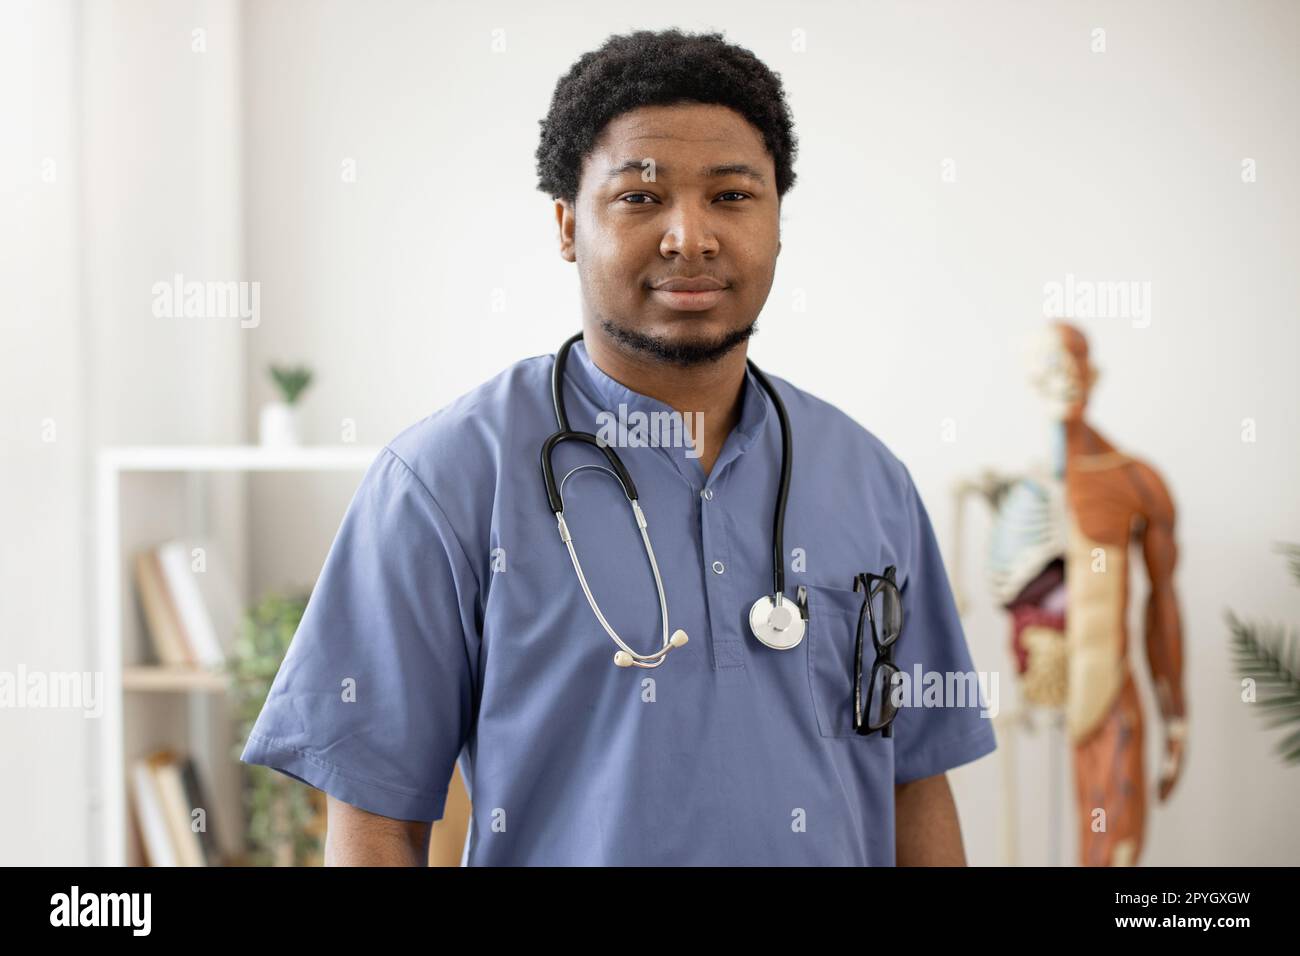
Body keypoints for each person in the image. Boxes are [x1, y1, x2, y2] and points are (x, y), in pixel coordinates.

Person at [240, 27, 996, 866]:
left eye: (733, 197)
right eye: (640, 198)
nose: (690, 237)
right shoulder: (445, 480)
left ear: (778, 220)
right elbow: (376, 821)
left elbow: (915, 781)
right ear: (567, 225)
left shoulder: (869, 480)